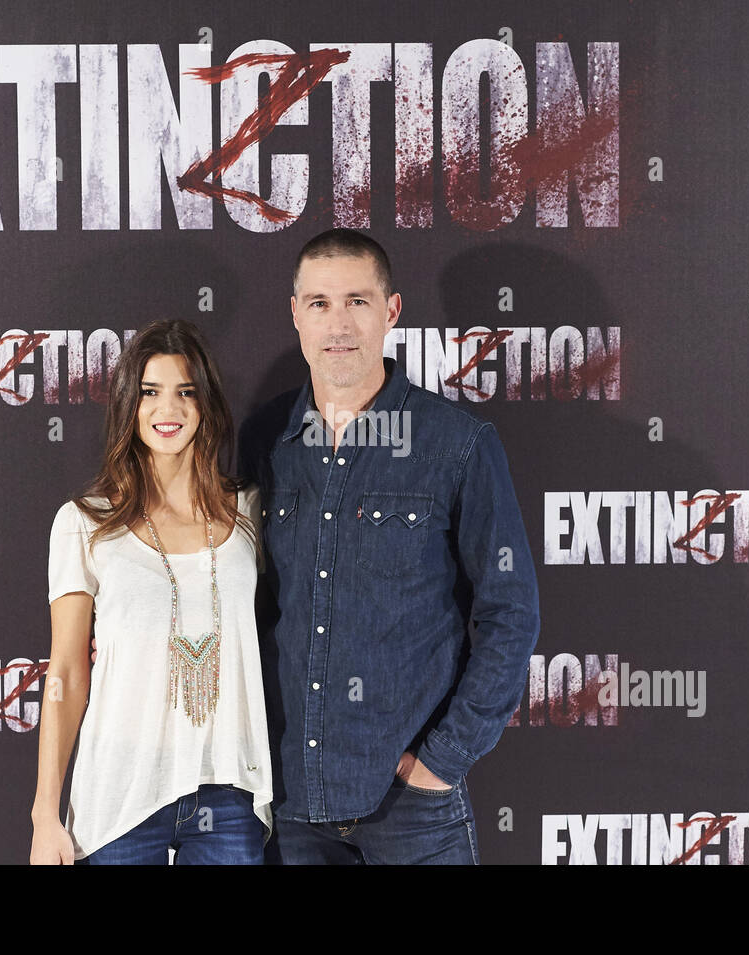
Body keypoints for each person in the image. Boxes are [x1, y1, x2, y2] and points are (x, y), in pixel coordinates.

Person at [238, 229, 541, 864]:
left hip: (411, 810)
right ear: (295, 314)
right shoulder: (262, 440)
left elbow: (511, 612)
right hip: (290, 805)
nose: (338, 323)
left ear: (392, 311)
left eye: (357, 300)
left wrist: (445, 759)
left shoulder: (456, 445)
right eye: (319, 303)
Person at [30, 319, 272, 865]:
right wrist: (46, 813)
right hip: (119, 794)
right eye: (150, 393)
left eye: (185, 392)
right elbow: (67, 671)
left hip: (228, 790)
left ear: (205, 405)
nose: (169, 410)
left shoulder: (251, 511)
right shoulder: (84, 523)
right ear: (128, 406)